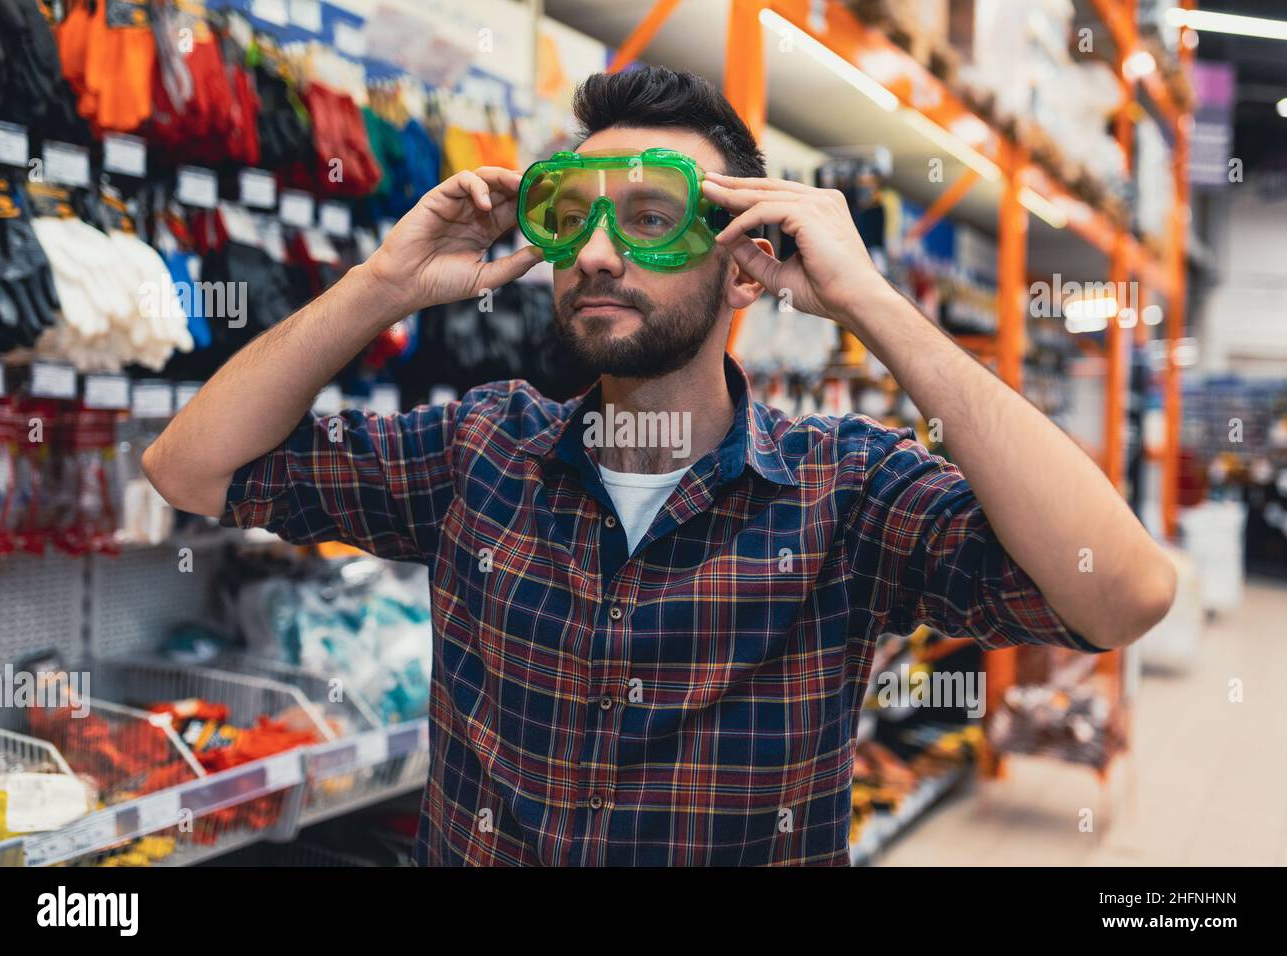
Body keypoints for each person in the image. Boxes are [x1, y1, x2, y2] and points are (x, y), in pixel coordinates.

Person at [142, 67, 1176, 866]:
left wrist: (873, 303)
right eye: (572, 217)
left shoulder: (844, 490)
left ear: (743, 266)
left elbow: (1122, 590)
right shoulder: (478, 451)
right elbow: (189, 467)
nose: (595, 252)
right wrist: (382, 283)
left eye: (646, 219)